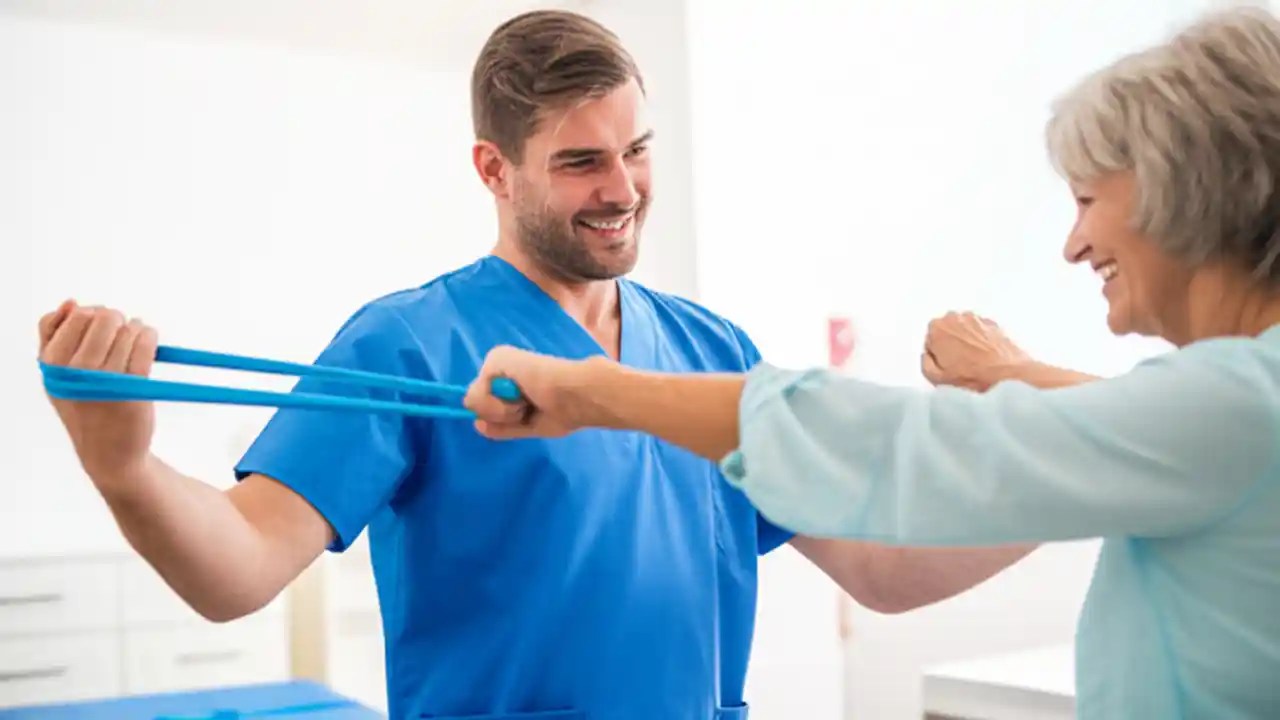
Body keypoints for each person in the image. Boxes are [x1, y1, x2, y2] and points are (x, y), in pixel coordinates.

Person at [34, 10, 1039, 720]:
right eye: (579, 163)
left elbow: (880, 564)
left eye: (635, 150)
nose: (621, 189)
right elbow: (239, 567)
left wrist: (1087, 481)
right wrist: (124, 469)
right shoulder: (405, 345)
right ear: (492, 168)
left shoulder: (709, 351)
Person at [463, 7, 1280, 718]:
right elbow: (1129, 433)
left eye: (1090, 200)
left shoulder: (1239, 400)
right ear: (495, 170)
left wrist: (591, 391)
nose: (1072, 243)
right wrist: (1020, 382)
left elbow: (887, 448)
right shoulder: (1236, 404)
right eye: (580, 161)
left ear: (1188, 189)